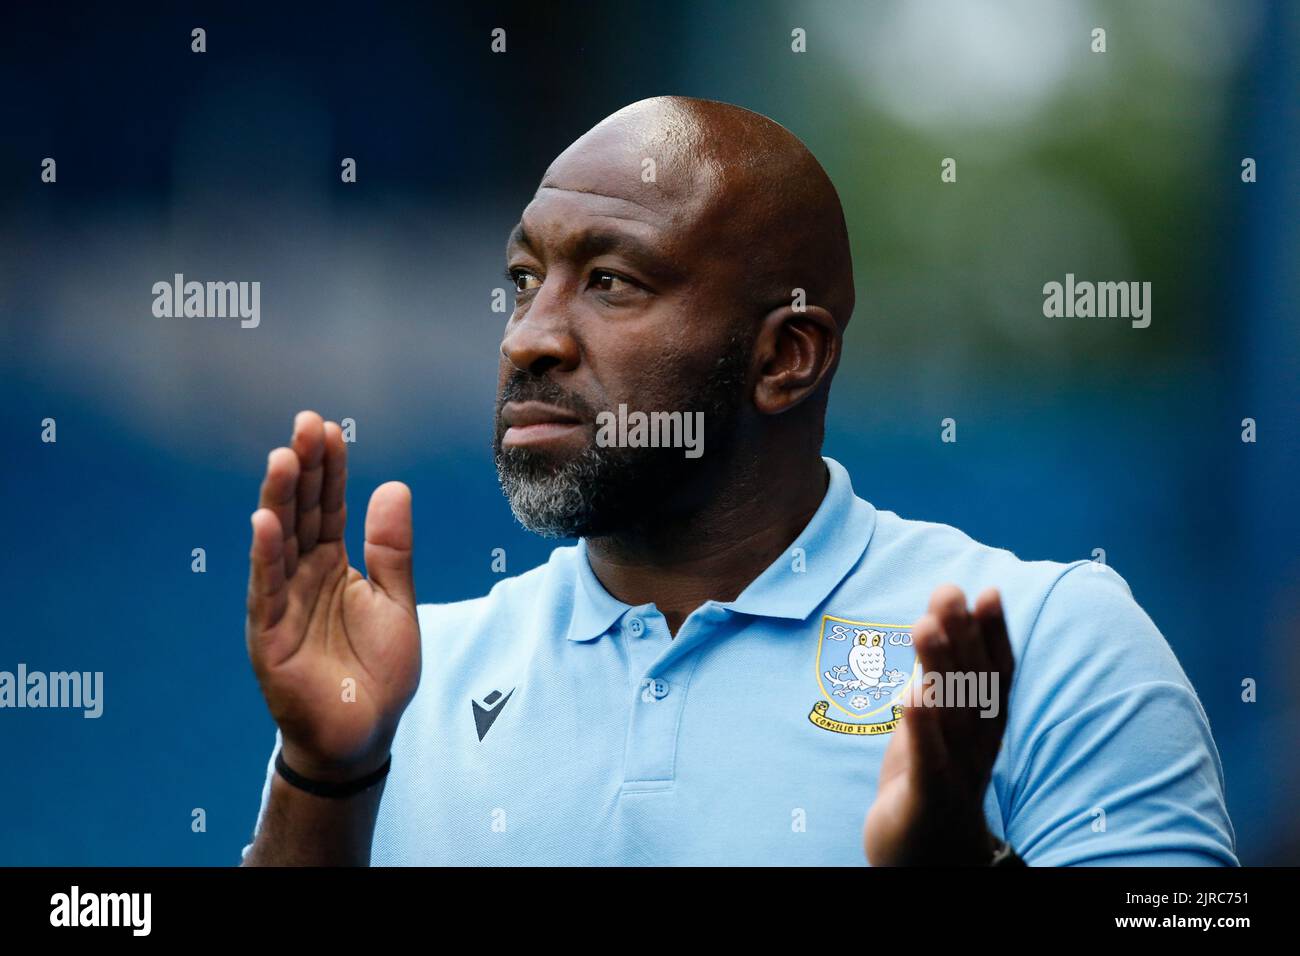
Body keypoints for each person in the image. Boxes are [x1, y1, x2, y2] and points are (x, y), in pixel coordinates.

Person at [240, 96, 1236, 866]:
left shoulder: (1051, 644)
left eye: (611, 280)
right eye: (523, 279)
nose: (530, 335)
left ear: (784, 358)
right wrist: (324, 777)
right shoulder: (406, 682)